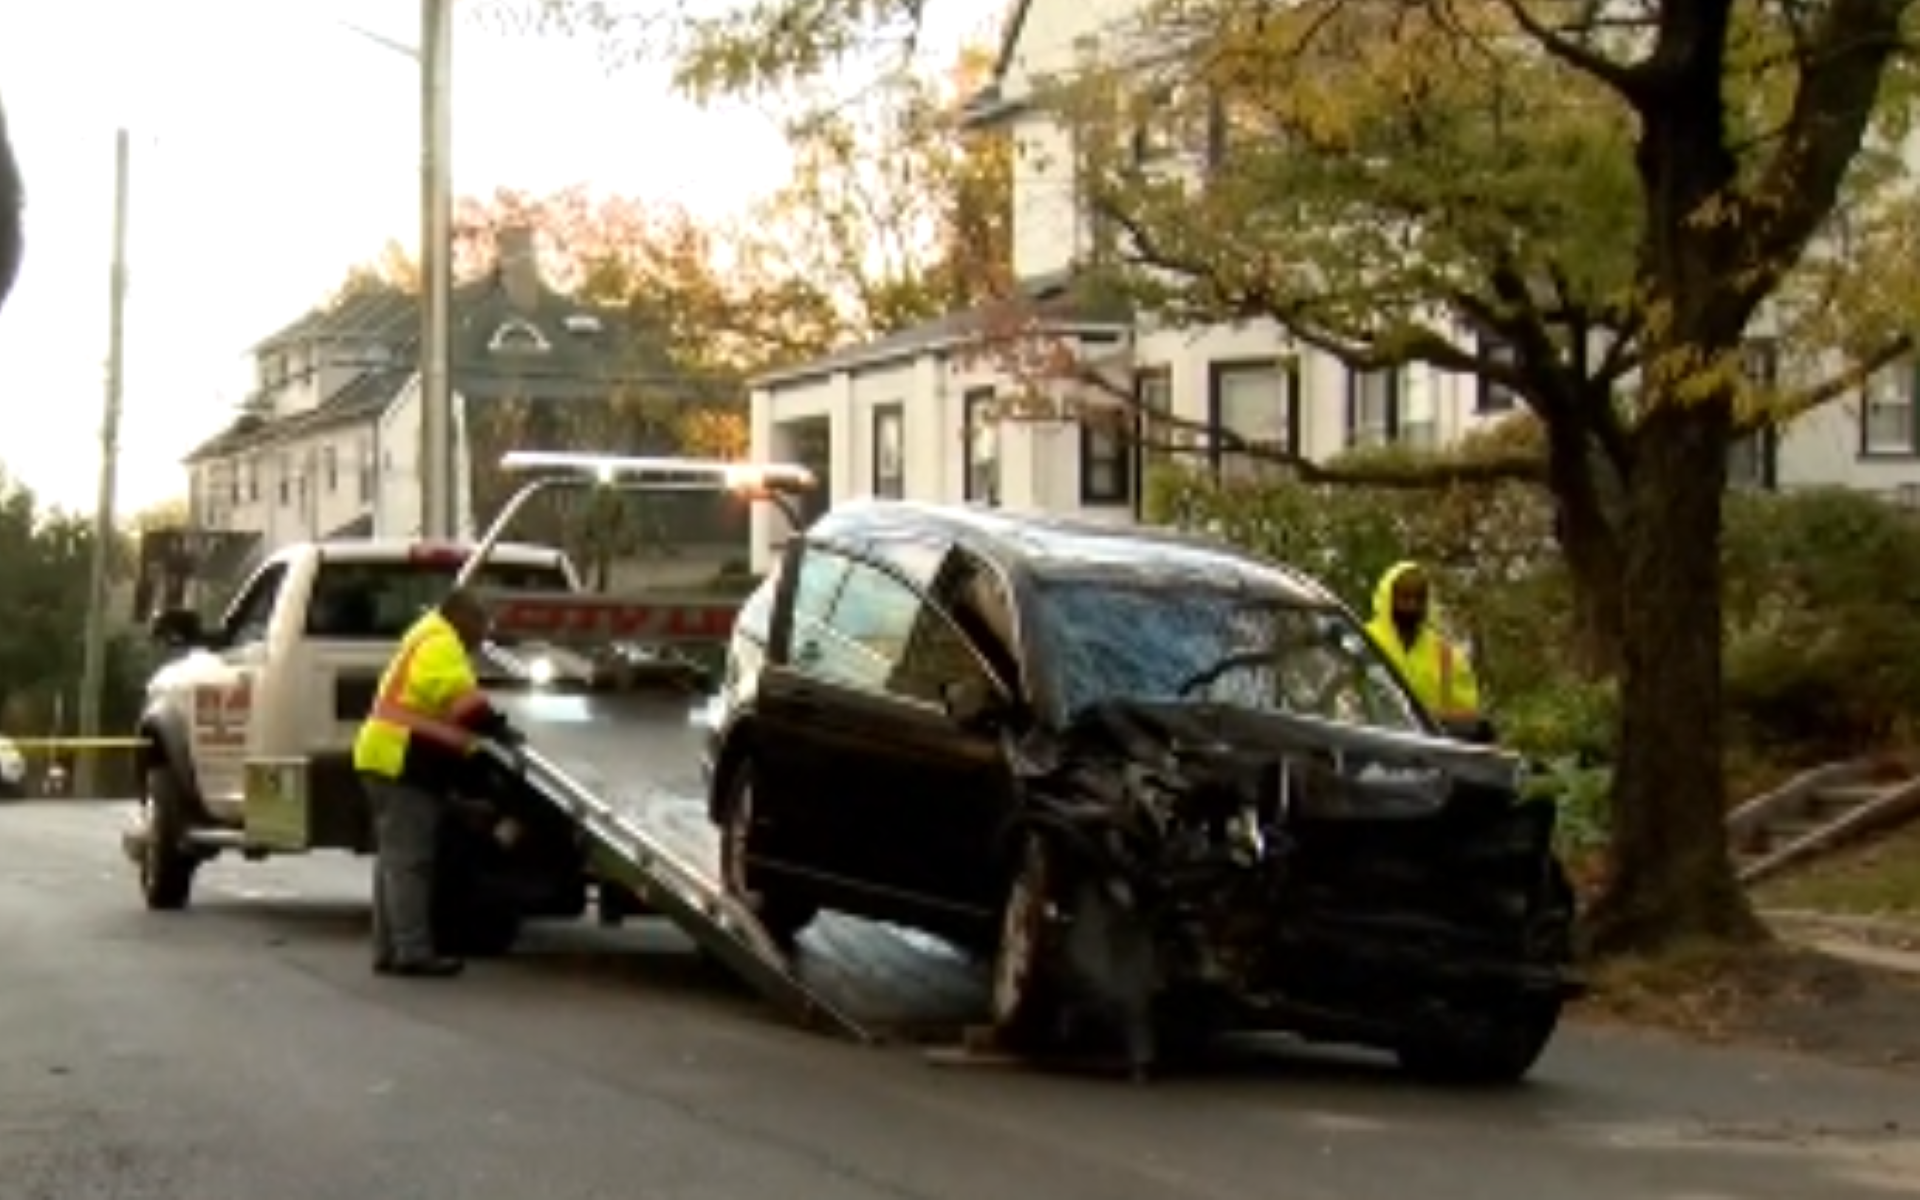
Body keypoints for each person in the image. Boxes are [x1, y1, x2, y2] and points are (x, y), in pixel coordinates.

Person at [353, 588, 520, 978]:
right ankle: (412, 951)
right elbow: (462, 702)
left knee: (394, 862)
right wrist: (498, 731)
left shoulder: (425, 636)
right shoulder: (441, 643)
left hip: (385, 757)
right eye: (481, 624)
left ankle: (390, 949)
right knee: (410, 863)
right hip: (401, 761)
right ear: (461, 617)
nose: (483, 634)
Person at [1365, 561, 1483, 728]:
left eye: (1418, 598)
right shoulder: (1363, 641)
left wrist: (1431, 716)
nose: (1411, 606)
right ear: (1387, 598)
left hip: (1426, 748)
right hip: (1368, 745)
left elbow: (1470, 715)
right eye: (1404, 597)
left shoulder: (1445, 654)